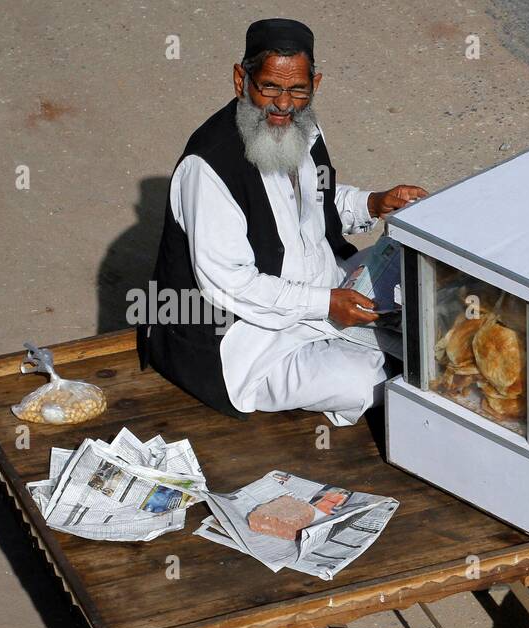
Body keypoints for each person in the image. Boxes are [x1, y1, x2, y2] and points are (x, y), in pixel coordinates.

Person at [138, 17, 426, 426]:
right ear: (241, 80)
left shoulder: (302, 128)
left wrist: (373, 204)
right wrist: (324, 303)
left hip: (323, 289)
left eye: (297, 90)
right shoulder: (209, 166)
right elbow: (230, 283)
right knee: (364, 381)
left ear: (315, 85)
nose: (283, 104)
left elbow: (311, 204)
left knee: (421, 291)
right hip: (247, 334)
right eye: (270, 87)